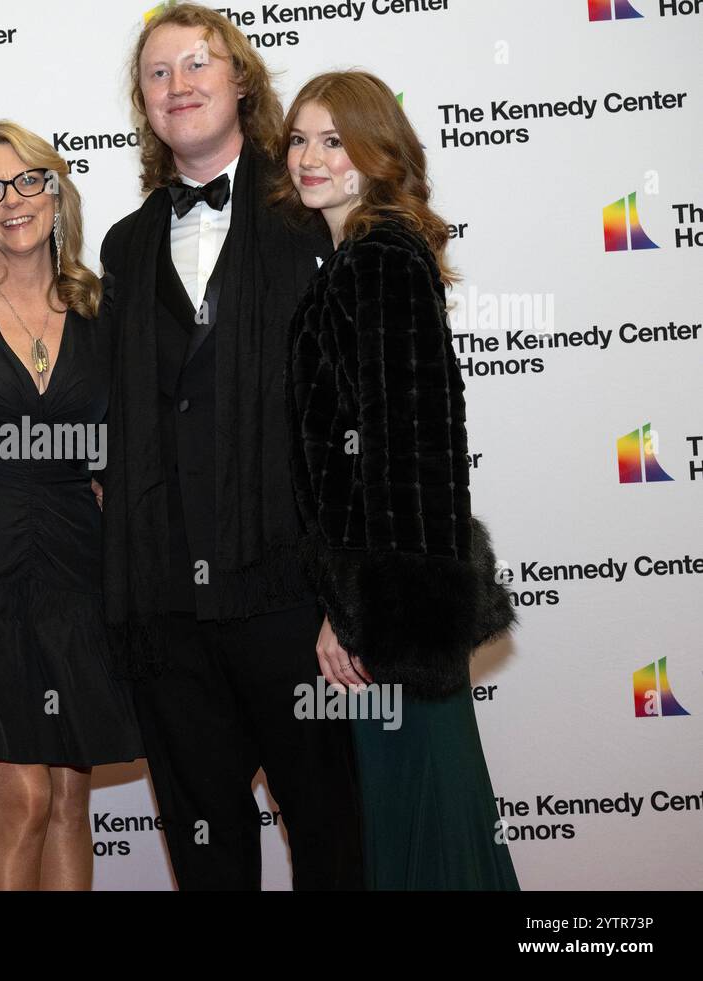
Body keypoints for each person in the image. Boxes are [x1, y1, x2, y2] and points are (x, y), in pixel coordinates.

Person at [99, 2, 363, 890]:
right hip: (168, 610)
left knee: (332, 840)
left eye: (199, 63)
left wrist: (348, 594)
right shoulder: (125, 247)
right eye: (159, 72)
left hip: (292, 602)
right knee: (207, 856)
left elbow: (362, 422)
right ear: (142, 101)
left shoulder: (310, 217)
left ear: (241, 80)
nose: (180, 85)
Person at [277, 70, 520, 890]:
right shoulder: (360, 256)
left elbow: (407, 446)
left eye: (334, 140)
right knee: (422, 821)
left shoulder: (378, 259)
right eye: (301, 138)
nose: (310, 158)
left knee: (427, 827)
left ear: (379, 152)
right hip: (397, 605)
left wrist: (358, 613)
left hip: (392, 617)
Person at [0, 121, 143, 891]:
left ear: (57, 191)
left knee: (72, 802)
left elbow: (129, 443)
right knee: (25, 799)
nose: (11, 200)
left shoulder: (104, 313)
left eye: (28, 180)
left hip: (78, 572)